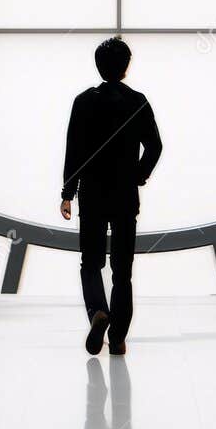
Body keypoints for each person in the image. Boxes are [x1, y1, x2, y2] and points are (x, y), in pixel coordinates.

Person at [59, 37, 162, 357]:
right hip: (124, 194)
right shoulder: (137, 102)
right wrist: (138, 175)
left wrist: (68, 193)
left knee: (91, 263)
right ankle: (117, 339)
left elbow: (74, 151)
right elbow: (155, 146)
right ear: (126, 67)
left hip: (92, 193)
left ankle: (98, 312)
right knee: (122, 270)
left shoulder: (83, 102)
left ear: (98, 66)